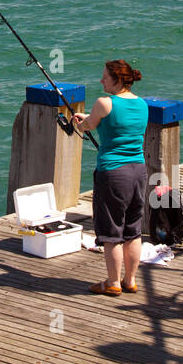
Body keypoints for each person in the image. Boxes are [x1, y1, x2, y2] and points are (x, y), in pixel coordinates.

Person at [72, 60, 148, 296]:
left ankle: (113, 282)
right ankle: (130, 280)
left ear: (116, 79)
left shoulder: (104, 103)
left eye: (105, 76)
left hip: (114, 174)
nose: (101, 80)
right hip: (139, 171)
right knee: (133, 230)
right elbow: (118, 124)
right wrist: (90, 117)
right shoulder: (142, 104)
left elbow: (88, 126)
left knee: (112, 232)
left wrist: (81, 121)